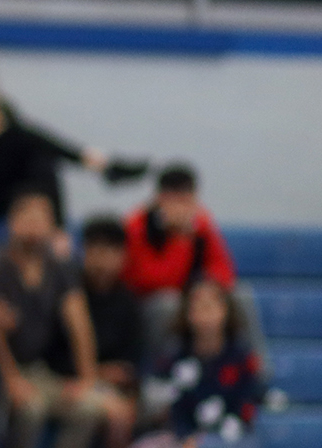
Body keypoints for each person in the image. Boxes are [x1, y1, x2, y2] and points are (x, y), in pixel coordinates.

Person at [0, 36, 143, 221]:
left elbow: (26, 146)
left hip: (2, 195)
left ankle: (57, 226)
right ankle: (98, 163)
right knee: (17, 135)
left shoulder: (1, 110)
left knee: (41, 157)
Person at [0, 188, 111, 448]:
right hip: (2, 371)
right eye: (27, 219)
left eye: (41, 220)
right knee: (31, 409)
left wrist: (87, 379)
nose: (33, 228)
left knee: (89, 408)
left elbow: (79, 324)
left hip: (42, 371)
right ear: (12, 223)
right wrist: (11, 379)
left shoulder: (60, 268)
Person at [122, 164, 261, 361]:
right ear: (159, 199)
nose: (181, 209)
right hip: (146, 306)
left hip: (190, 298)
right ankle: (155, 375)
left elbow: (224, 270)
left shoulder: (201, 223)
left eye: (187, 201)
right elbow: (149, 279)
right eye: (174, 201)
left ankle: (256, 374)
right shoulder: (137, 225)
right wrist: (181, 239)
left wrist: (204, 292)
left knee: (241, 295)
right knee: (167, 303)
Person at [136, 279, 265, 448]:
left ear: (225, 310)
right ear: (187, 313)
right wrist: (185, 436)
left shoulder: (242, 357)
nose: (205, 315)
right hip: (181, 437)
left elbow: (248, 403)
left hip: (231, 437)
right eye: (198, 307)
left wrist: (212, 440)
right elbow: (170, 404)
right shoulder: (174, 355)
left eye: (211, 306)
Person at [68, 217, 145, 424]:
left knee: (128, 413)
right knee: (96, 411)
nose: (100, 260)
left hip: (113, 386)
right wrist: (97, 372)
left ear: (123, 255)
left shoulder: (127, 301)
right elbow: (54, 353)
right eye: (94, 250)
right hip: (69, 380)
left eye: (109, 251)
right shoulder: (70, 295)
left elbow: (131, 362)